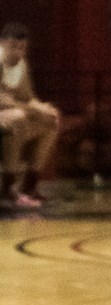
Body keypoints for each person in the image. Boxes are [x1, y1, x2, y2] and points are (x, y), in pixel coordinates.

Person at [0, 24, 60, 208]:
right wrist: (27, 109)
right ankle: (7, 188)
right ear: (2, 44)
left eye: (22, 48)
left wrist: (42, 108)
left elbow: (28, 97)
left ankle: (30, 184)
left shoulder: (22, 66)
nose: (18, 53)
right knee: (18, 119)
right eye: (13, 48)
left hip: (17, 114)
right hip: (7, 116)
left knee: (50, 122)